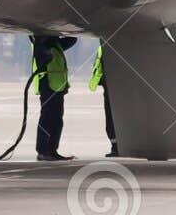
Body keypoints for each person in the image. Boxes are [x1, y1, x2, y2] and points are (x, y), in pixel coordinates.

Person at [31, 33, 78, 161]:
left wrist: (58, 31)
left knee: (57, 120)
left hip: (58, 86)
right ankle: (43, 151)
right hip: (48, 86)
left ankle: (52, 150)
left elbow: (73, 39)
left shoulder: (56, 44)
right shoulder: (41, 45)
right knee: (47, 118)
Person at [89, 42, 119, 157]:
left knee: (111, 118)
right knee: (111, 118)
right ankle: (116, 146)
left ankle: (116, 146)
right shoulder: (108, 48)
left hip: (110, 86)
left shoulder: (103, 48)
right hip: (110, 86)